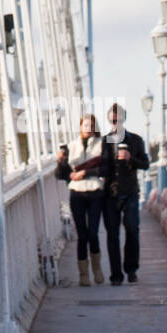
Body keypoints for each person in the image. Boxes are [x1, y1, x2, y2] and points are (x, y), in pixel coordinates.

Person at [56, 114, 107, 286]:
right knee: (82, 234)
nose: (87, 128)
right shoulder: (71, 146)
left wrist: (85, 173)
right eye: (84, 125)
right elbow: (60, 175)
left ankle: (97, 268)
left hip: (95, 191)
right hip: (77, 193)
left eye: (90, 125)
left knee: (93, 232)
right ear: (80, 127)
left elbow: (105, 168)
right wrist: (61, 162)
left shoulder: (101, 145)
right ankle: (83, 274)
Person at [102, 102, 149, 284]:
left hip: (130, 191)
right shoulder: (105, 140)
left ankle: (131, 269)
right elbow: (102, 167)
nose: (115, 123)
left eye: (118, 120)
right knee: (112, 234)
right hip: (110, 194)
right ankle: (116, 275)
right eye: (112, 120)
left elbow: (145, 164)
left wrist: (131, 158)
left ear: (124, 119)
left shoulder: (136, 140)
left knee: (132, 229)